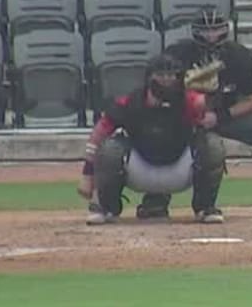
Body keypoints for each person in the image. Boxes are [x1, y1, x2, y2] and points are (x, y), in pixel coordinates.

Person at [137, 8, 252, 220]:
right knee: (161, 133)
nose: (211, 36)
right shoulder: (177, 55)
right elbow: (154, 91)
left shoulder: (240, 57)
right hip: (180, 113)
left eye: (215, 30)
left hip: (226, 113)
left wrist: (221, 116)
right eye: (206, 31)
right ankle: (155, 200)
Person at [78, 51, 227, 226]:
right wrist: (87, 174)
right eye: (161, 75)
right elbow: (99, 133)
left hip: (180, 168)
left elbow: (209, 109)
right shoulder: (131, 102)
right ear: (149, 78)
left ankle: (205, 207)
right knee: (110, 148)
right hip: (139, 169)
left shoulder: (190, 100)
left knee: (213, 144)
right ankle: (106, 207)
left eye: (171, 75)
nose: (166, 80)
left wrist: (214, 94)